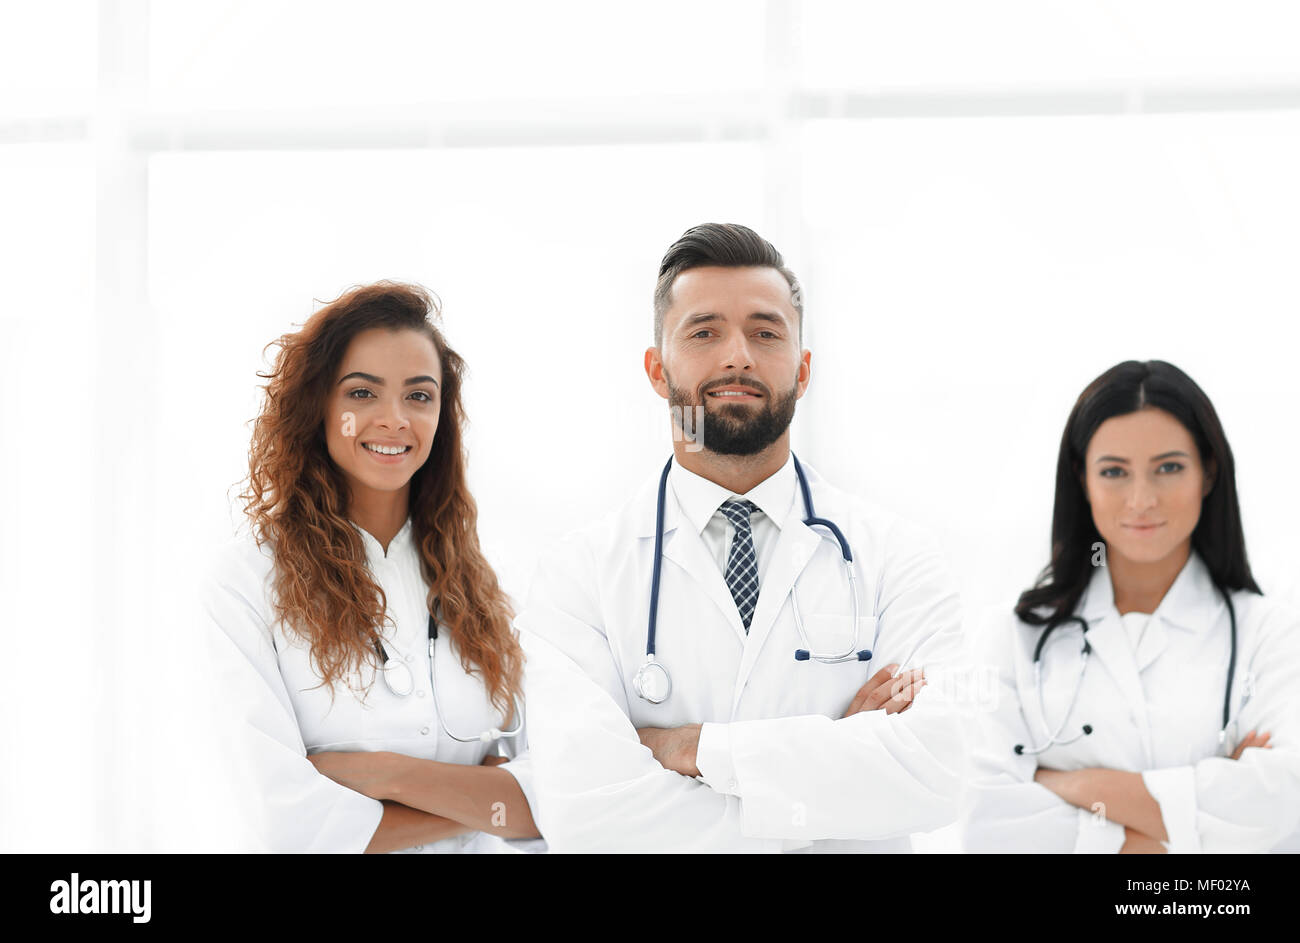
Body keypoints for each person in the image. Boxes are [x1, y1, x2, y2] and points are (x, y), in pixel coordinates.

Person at [513, 223, 968, 852]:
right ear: (656, 367)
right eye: (703, 332)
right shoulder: (577, 573)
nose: (738, 356)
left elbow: (939, 772)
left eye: (766, 332)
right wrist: (833, 768)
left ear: (803, 369)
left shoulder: (897, 555)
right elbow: (586, 814)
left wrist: (690, 747)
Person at [199, 281, 543, 853]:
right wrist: (485, 800)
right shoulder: (246, 584)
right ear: (320, 407)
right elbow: (288, 825)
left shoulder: (490, 586)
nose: (394, 419)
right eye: (362, 394)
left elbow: (563, 794)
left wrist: (386, 776)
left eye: (419, 396)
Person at [961, 360, 1300, 853]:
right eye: (1115, 471)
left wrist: (1067, 785)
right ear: (1082, 479)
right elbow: (986, 826)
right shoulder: (1013, 637)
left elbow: (1286, 803)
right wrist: (1181, 831)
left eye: (1168, 467)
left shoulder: (1271, 634)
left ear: (1208, 472)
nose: (1141, 499)